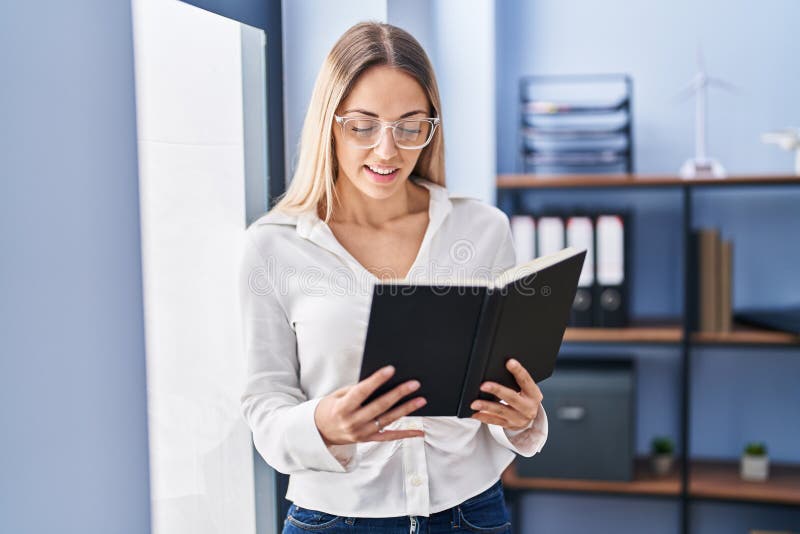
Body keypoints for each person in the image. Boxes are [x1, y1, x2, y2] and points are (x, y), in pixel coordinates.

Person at [238, 21, 548, 534]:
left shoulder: (483, 229)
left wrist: (524, 419)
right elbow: (264, 401)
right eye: (363, 126)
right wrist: (321, 425)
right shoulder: (272, 245)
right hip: (333, 519)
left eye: (409, 126)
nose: (387, 151)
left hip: (470, 514)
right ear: (329, 124)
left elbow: (505, 378)